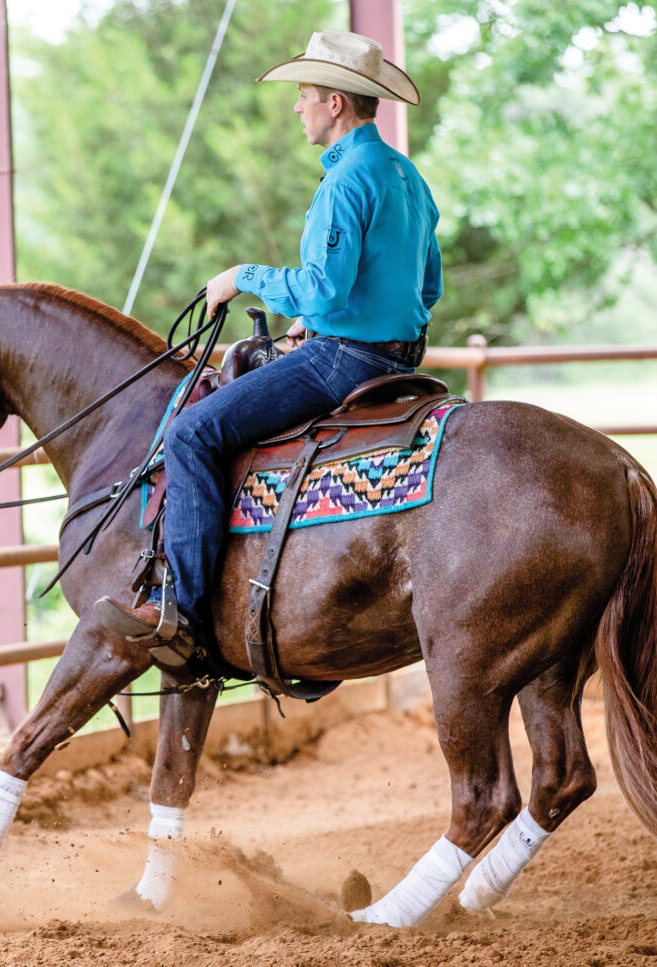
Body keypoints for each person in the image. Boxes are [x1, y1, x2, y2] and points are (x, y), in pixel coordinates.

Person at [95, 28, 442, 648]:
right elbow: (427, 287)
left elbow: (324, 291)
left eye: (305, 94)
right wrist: (334, 314)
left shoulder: (344, 183)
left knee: (192, 432)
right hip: (401, 360)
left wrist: (243, 277)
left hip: (343, 362)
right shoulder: (406, 176)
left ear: (335, 103)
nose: (296, 107)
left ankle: (184, 611)